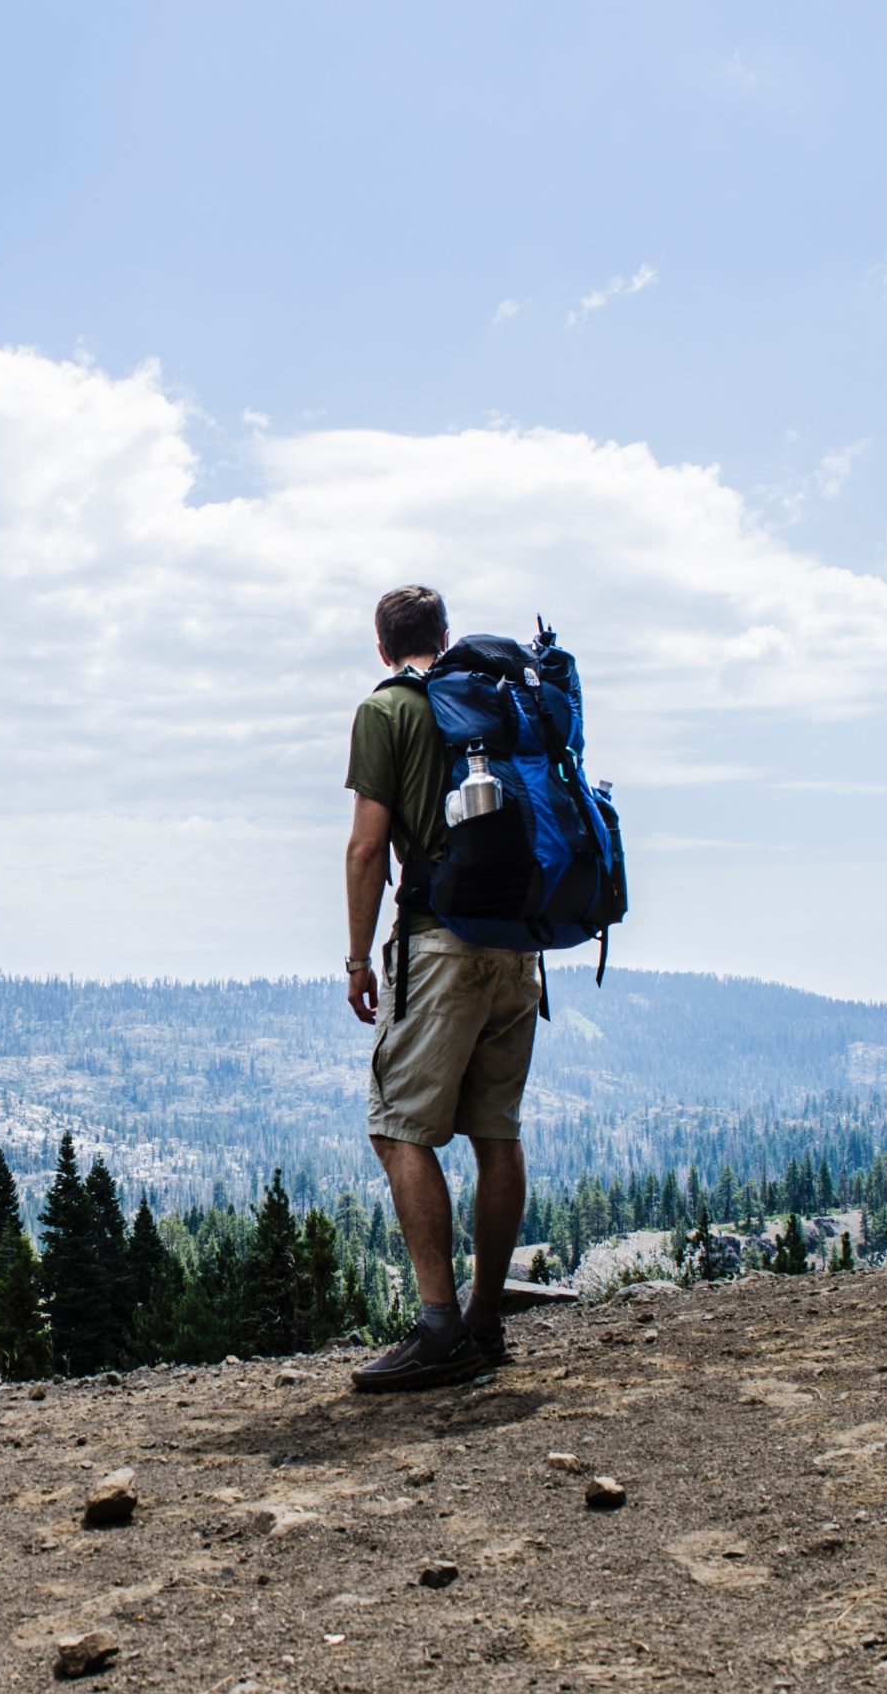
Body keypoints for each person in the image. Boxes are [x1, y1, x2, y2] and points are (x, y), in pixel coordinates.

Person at [340, 584, 540, 1392]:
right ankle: (485, 1319)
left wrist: (358, 961)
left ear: (383, 646)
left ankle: (438, 1329)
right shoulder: (494, 703)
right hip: (520, 943)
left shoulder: (386, 710)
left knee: (398, 1130)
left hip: (440, 942)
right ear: (446, 635)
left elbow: (366, 849)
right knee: (497, 1130)